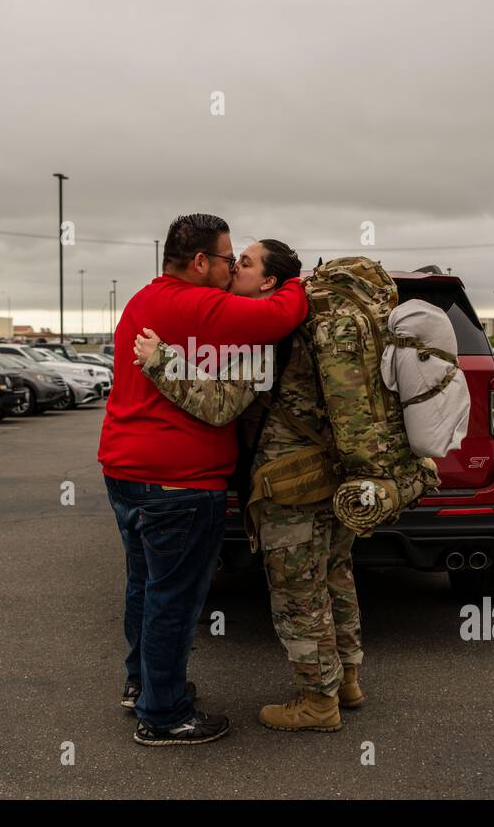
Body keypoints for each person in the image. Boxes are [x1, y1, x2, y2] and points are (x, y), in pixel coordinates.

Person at [134, 239, 362, 733]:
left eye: (246, 263)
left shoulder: (262, 333)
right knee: (335, 577)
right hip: (333, 472)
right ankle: (346, 680)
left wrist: (159, 361)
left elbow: (219, 405)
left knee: (297, 593)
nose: (235, 267)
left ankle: (317, 703)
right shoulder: (314, 322)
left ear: (268, 283)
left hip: (288, 481)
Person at [98, 214, 308, 746]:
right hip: (179, 483)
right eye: (226, 258)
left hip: (125, 474)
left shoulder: (144, 300)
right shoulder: (200, 304)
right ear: (199, 262)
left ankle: (142, 685)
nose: (230, 266)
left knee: (145, 588)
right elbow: (282, 314)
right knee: (175, 600)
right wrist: (301, 283)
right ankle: (165, 715)